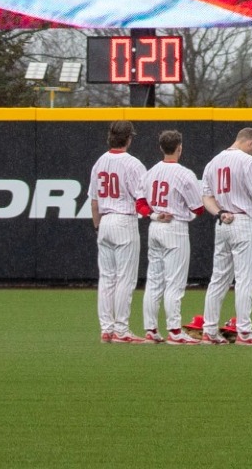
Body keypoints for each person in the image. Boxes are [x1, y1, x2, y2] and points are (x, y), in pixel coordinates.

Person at [200, 127, 252, 346]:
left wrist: (220, 212)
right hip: (243, 220)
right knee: (245, 280)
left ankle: (209, 331)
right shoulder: (248, 162)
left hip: (222, 220)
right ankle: (244, 332)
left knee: (219, 278)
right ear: (250, 143)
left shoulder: (213, 162)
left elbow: (206, 197)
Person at [141, 129, 206, 344]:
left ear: (161, 148)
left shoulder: (150, 172)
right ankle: (175, 331)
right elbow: (198, 208)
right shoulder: (184, 173)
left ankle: (150, 329)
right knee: (174, 283)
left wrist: (154, 214)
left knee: (154, 281)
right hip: (175, 228)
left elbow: (140, 203)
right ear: (180, 148)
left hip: (155, 226)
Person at [89, 120, 151, 344]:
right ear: (129, 138)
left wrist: (97, 227)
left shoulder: (100, 162)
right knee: (125, 278)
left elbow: (94, 202)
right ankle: (121, 330)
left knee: (107, 279)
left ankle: (106, 329)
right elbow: (143, 198)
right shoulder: (133, 164)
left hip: (104, 221)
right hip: (124, 220)